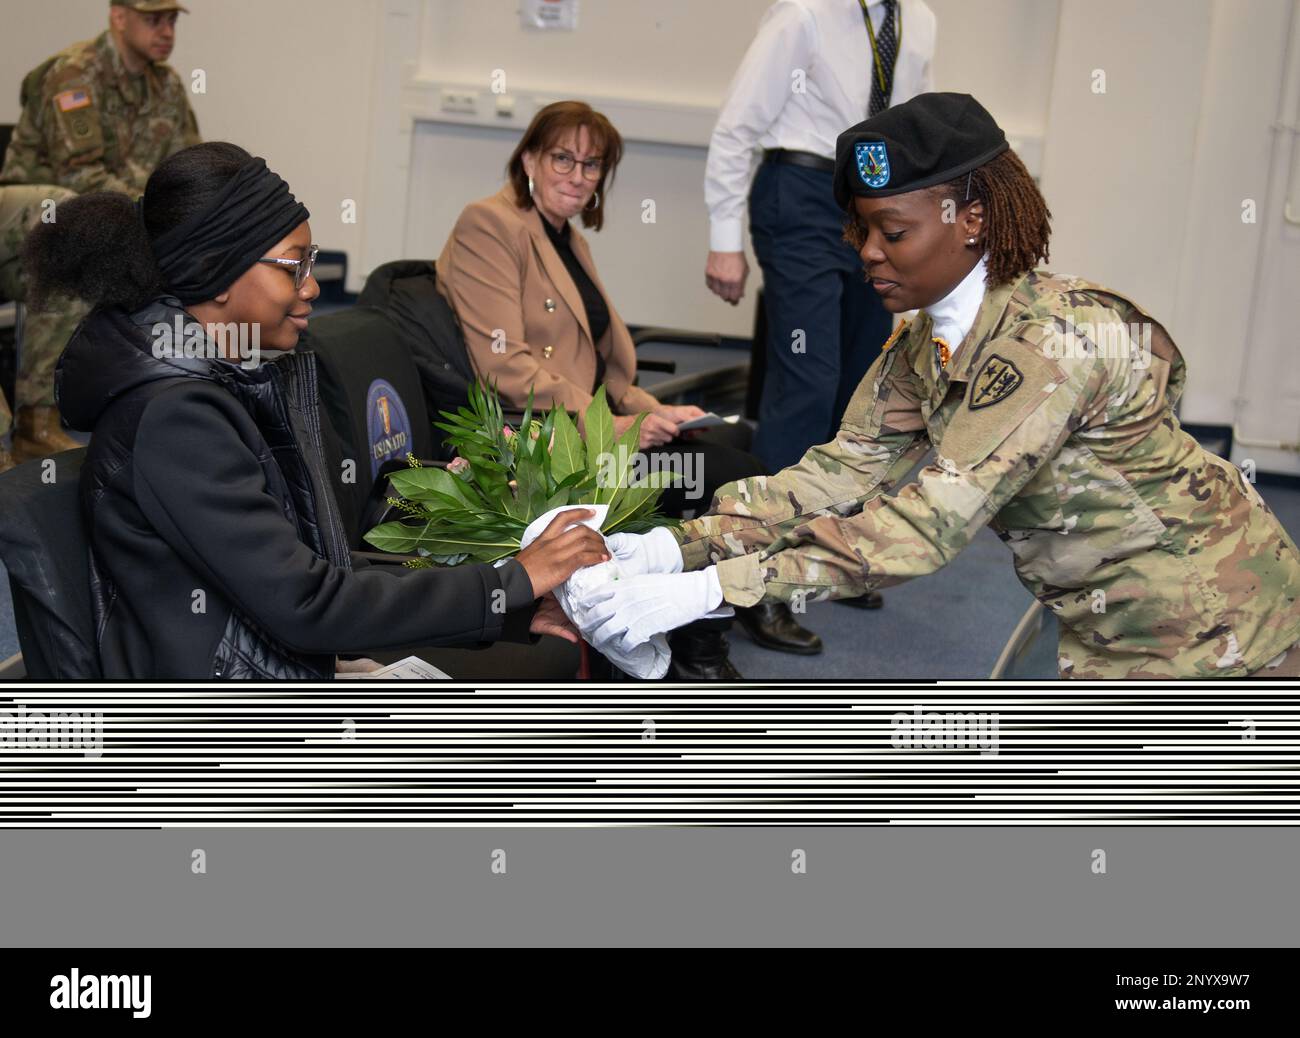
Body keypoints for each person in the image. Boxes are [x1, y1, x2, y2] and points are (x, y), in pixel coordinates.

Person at [590, 92, 1300, 680]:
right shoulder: (924, 343)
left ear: (972, 220)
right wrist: (677, 546)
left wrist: (713, 589)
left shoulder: (1048, 343)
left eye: (892, 232)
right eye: (861, 231)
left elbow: (922, 529)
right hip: (1104, 615)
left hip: (1213, 623)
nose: (868, 253)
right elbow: (840, 474)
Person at [23, 141, 610, 680]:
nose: (310, 287)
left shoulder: (232, 381)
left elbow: (317, 570)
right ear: (218, 273)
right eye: (293, 266)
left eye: (312, 262)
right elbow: (306, 603)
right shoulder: (176, 417)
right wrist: (512, 581)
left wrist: (509, 602)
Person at [435, 100, 823, 679]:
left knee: (743, 461)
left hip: (591, 427)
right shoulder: (489, 224)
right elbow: (505, 365)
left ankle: (717, 613)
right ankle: (701, 644)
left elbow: (606, 371)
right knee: (720, 478)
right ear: (530, 159)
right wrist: (611, 427)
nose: (577, 175)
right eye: (563, 157)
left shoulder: (568, 238)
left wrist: (652, 409)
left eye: (592, 166)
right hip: (541, 446)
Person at [704, 0, 936, 609]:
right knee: (808, 379)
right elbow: (736, 125)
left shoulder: (921, 21)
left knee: (865, 384)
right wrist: (725, 241)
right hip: (801, 193)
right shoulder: (803, 16)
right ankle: (760, 576)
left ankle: (827, 549)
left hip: (873, 205)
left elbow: (911, 136)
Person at [0, 0, 202, 471]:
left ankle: (165, 403)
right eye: (154, 18)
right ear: (118, 15)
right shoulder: (72, 76)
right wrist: (157, 212)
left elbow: (186, 170)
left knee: (191, 244)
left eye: (172, 20)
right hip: (31, 228)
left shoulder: (167, 85)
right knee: (82, 239)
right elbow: (86, 179)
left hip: (122, 220)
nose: (166, 30)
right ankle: (36, 421)